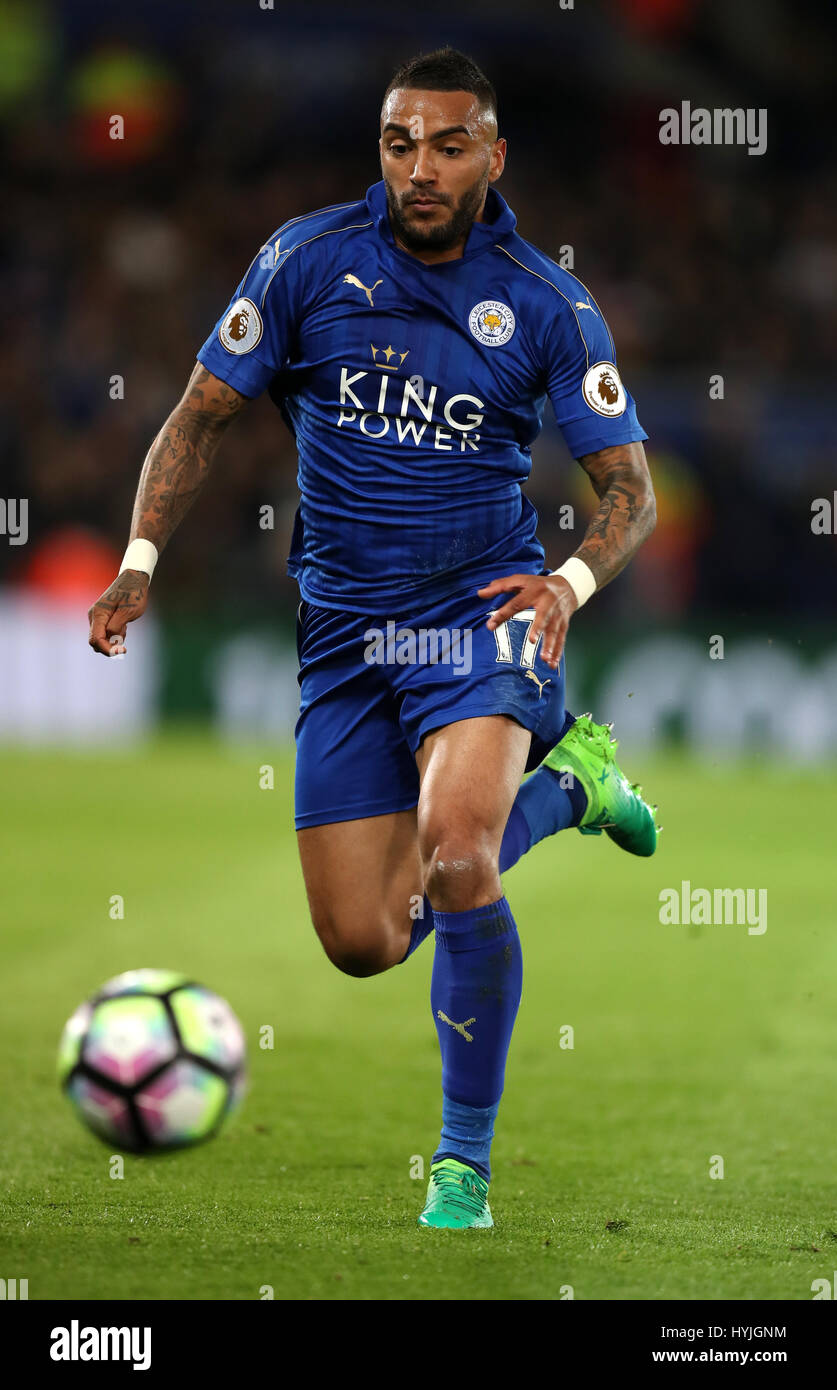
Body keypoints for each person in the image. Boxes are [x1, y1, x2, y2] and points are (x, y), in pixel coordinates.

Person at [88, 47, 658, 1230]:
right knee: (362, 939)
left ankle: (461, 1167)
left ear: (494, 157)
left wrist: (563, 586)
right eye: (401, 144)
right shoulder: (307, 260)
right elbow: (198, 418)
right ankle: (575, 791)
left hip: (483, 622)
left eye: (450, 145)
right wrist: (140, 563)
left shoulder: (545, 303)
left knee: (457, 858)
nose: (422, 167)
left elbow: (630, 492)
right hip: (348, 638)